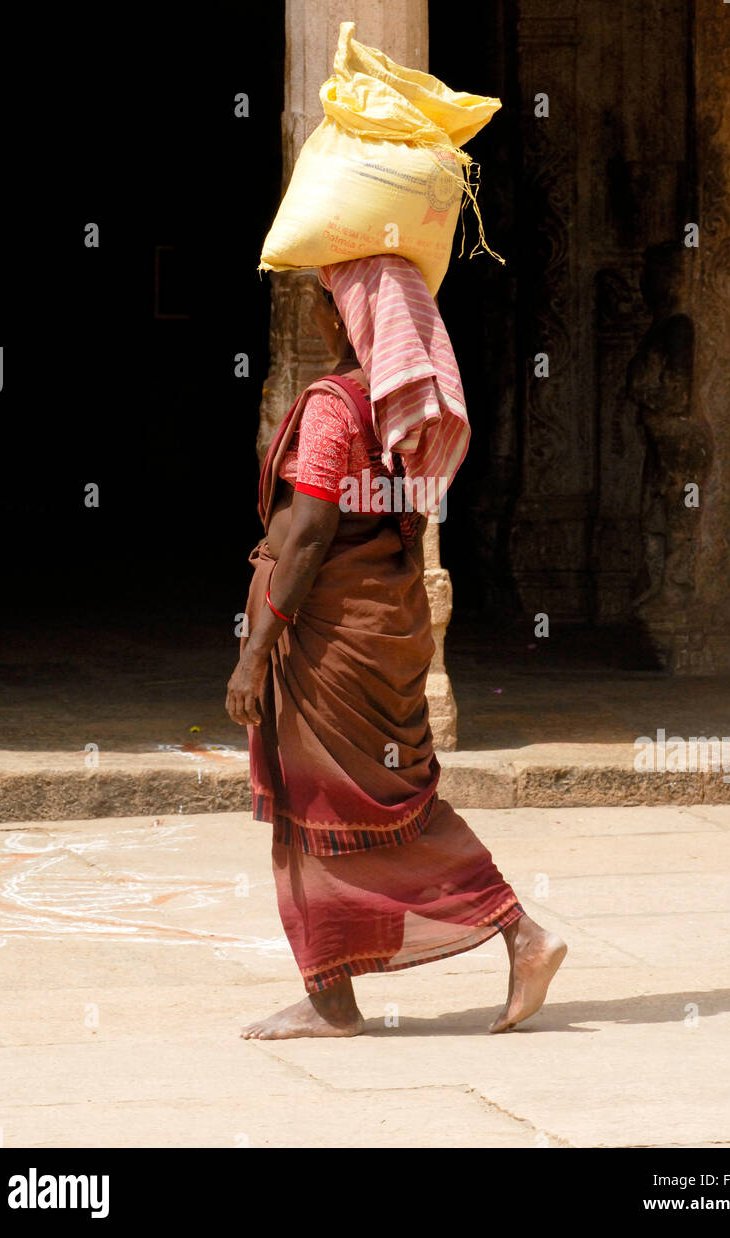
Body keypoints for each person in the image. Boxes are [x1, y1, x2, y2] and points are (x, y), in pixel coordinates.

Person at [226, 253, 566, 1039]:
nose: (316, 312)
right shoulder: (405, 410)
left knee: (357, 806)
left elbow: (309, 536)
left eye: (324, 298)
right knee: (342, 811)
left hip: (332, 639)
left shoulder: (334, 409)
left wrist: (252, 654)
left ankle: (518, 930)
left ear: (344, 317)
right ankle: (333, 997)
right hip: (384, 624)